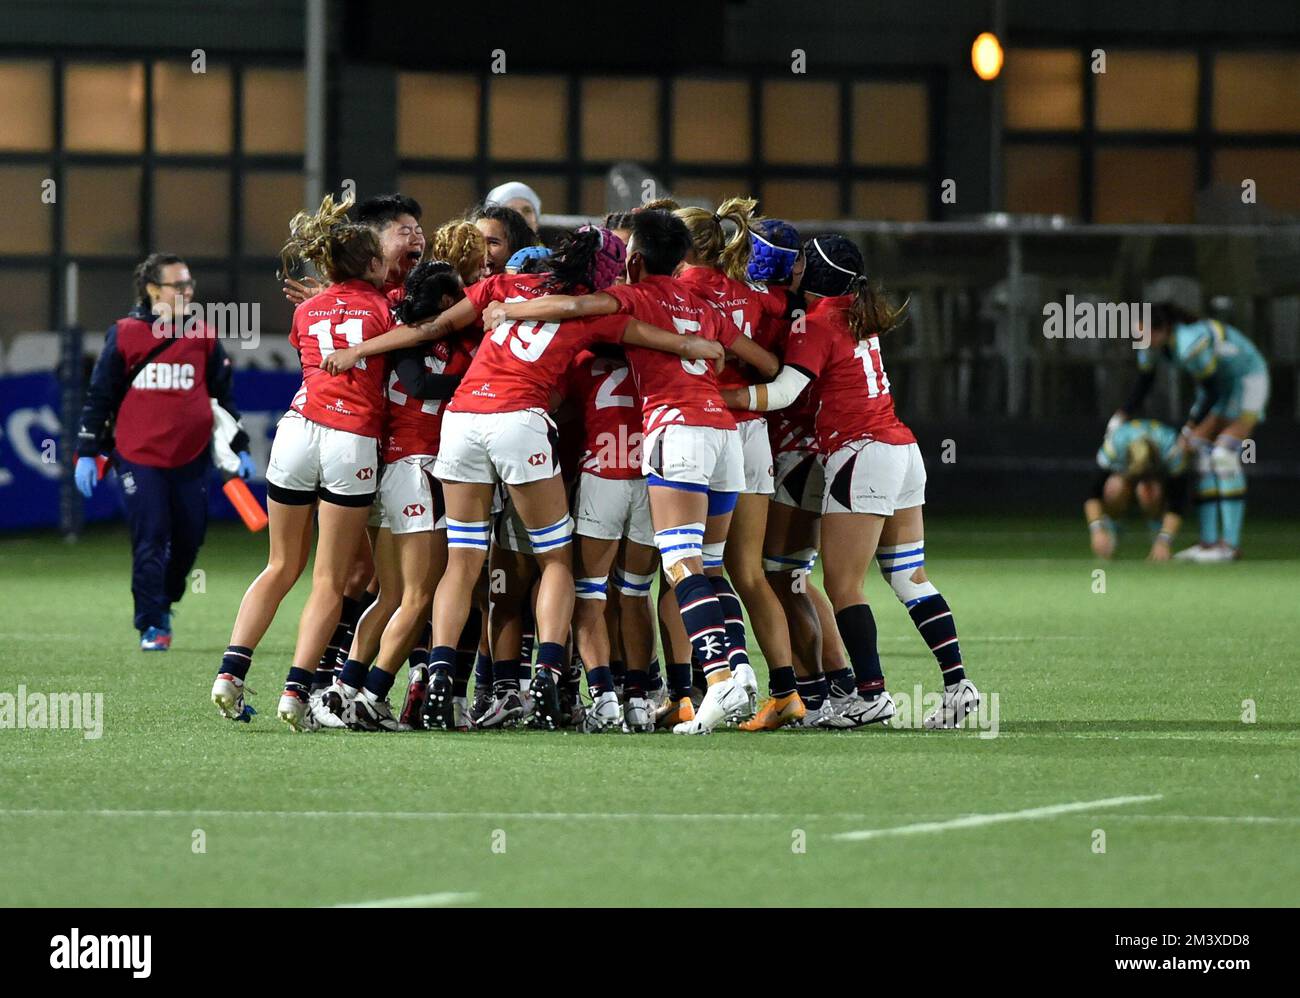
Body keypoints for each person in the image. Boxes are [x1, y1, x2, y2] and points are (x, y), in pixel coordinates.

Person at [482, 209, 779, 735]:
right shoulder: (705, 305)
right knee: (709, 567)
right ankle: (737, 671)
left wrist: (510, 309)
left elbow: (577, 305)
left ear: (636, 260)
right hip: (725, 434)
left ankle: (718, 681)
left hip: (675, 434)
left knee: (682, 565)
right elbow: (767, 364)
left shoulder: (637, 297)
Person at [721, 235, 981, 730]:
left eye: (804, 261)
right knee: (909, 578)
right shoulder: (857, 315)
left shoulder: (816, 323)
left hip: (862, 453)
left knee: (842, 584)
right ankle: (957, 685)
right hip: (902, 448)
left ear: (815, 274)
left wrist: (719, 396)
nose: (795, 266)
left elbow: (784, 392)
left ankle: (871, 693)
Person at [209, 192, 430, 730]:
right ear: (374, 263)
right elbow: (411, 333)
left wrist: (332, 298)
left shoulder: (308, 308)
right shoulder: (386, 308)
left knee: (281, 565)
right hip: (349, 439)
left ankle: (230, 673)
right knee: (330, 579)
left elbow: (322, 332)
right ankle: (294, 692)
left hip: (295, 430)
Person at [75, 253, 253, 651]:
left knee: (190, 540)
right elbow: (100, 395)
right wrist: (88, 450)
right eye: (179, 285)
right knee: (152, 537)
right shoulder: (123, 333)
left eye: (189, 284)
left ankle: (166, 601)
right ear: (153, 289)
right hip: (139, 458)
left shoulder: (204, 335)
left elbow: (223, 397)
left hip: (191, 458)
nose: (188, 291)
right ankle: (151, 623)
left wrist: (239, 447)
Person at [1112, 303, 1270, 562]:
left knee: (1223, 454)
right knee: (1200, 456)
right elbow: (1145, 380)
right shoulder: (1152, 345)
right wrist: (1121, 415)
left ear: (1162, 330)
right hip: (1219, 387)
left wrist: (1190, 428)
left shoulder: (1189, 343)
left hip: (1247, 380)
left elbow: (1214, 391)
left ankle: (1230, 546)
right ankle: (1208, 543)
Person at [1085, 419, 1189, 561]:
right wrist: (1097, 530)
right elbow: (1092, 492)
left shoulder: (1172, 448)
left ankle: (1157, 537)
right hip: (1122, 478)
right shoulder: (1115, 444)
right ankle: (1112, 530)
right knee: (1114, 488)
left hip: (1155, 482)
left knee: (1148, 491)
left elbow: (1177, 500)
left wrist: (1165, 540)